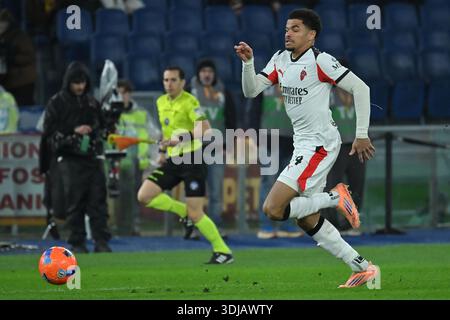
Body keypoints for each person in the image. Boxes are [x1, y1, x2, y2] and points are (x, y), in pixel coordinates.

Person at [235, 8, 378, 288]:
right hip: (304, 143)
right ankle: (363, 268)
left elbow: (362, 89)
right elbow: (250, 91)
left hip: (319, 144)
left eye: (296, 28)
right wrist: (248, 63)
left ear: (312, 35)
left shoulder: (321, 61)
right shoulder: (280, 60)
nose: (288, 33)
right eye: (287, 28)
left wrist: (361, 134)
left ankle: (335, 199)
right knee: (305, 218)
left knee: (273, 208)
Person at [137, 66, 233, 264]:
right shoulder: (160, 101)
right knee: (144, 195)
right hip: (173, 161)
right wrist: (163, 152)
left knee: (196, 212)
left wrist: (184, 137)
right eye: (166, 80)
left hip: (192, 160)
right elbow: (166, 131)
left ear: (182, 82)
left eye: (173, 80)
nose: (169, 84)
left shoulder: (191, 101)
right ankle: (182, 212)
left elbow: (207, 131)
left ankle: (223, 251)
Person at [39, 61, 112, 254]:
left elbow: (103, 128)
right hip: (69, 160)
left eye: (82, 82)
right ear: (68, 82)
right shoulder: (57, 103)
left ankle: (101, 240)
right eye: (76, 82)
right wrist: (74, 133)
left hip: (92, 158)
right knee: (74, 203)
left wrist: (104, 126)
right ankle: (77, 242)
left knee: (98, 201)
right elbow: (49, 134)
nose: (80, 87)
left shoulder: (91, 102)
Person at [188, 59, 236, 238]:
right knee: (195, 191)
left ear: (214, 74)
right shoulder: (189, 92)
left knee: (216, 192)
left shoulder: (224, 93)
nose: (206, 74)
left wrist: (228, 145)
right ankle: (194, 227)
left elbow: (231, 119)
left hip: (216, 148)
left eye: (210, 71)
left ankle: (215, 227)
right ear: (198, 74)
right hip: (194, 149)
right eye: (203, 71)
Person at [322, 59, 366, 235]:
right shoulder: (326, 92)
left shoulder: (357, 92)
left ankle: (351, 223)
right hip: (335, 146)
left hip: (356, 145)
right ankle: (331, 224)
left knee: (357, 184)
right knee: (332, 185)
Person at [256, 85, 303, 239]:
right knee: (268, 183)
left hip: (292, 141)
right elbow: (253, 110)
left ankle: (286, 224)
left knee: (290, 186)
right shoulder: (263, 84)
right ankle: (266, 225)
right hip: (268, 140)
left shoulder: (297, 82)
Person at [114, 79, 158, 235]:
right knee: (121, 196)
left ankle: (132, 226)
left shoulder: (142, 114)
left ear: (129, 94)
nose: (122, 96)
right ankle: (121, 227)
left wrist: (153, 161)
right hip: (118, 163)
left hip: (138, 163)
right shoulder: (112, 115)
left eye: (124, 92)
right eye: (118, 93)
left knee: (135, 196)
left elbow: (154, 136)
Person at [0, 9, 37, 106]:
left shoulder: (19, 37)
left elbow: (29, 57)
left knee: (24, 108)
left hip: (22, 82)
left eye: (2, 22)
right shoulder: (3, 38)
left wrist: (12, 58)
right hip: (7, 82)